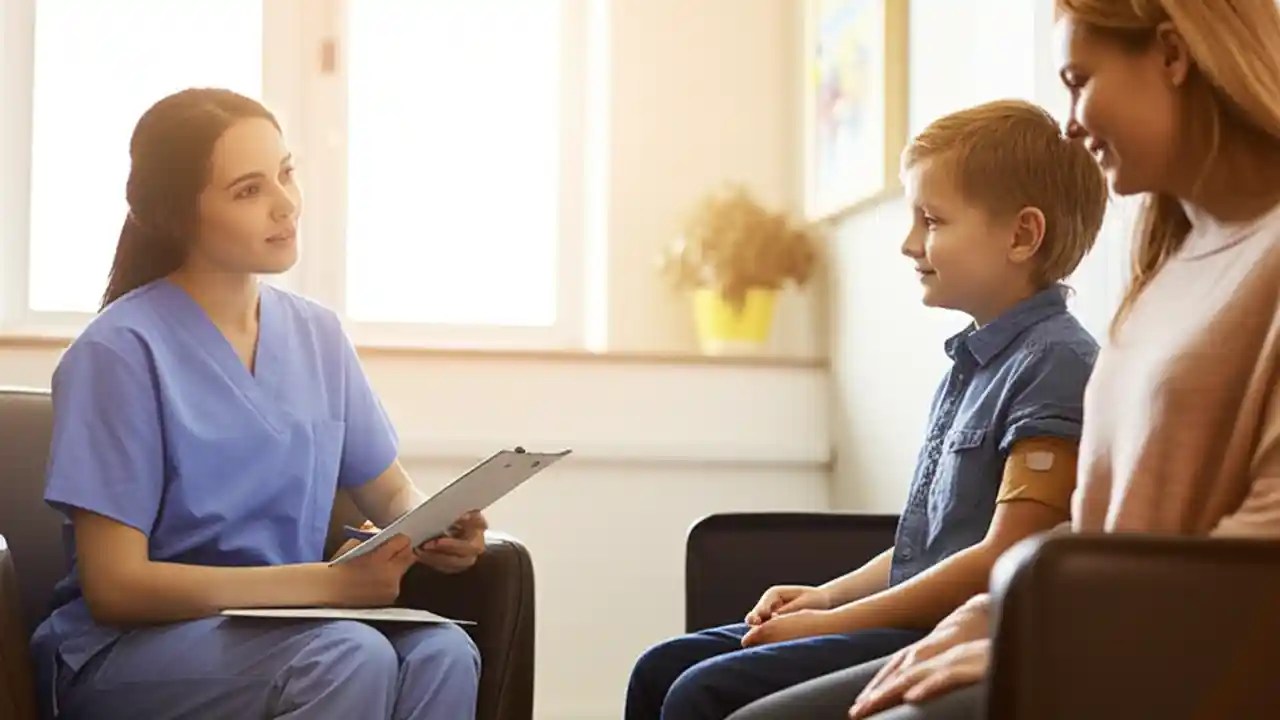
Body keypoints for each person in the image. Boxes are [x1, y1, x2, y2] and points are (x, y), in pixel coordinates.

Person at [727, 1, 1280, 718]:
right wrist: (979, 621)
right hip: (1090, 630)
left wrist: (1046, 636)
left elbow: (1260, 554)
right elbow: (1090, 531)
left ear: (1173, 55)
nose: (1073, 123)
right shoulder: (1164, 267)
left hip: (1177, 657)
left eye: (1080, 79)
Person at [624, 99, 1108, 720]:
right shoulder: (972, 367)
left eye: (931, 220)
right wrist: (824, 599)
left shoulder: (1056, 363)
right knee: (658, 668)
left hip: (942, 633)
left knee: (701, 694)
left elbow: (1001, 555)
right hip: (903, 618)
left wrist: (835, 621)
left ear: (1022, 235)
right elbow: (926, 547)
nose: (910, 244)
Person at [28, 88, 487, 720]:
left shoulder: (317, 335)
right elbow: (116, 587)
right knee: (350, 655)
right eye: (248, 190)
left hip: (294, 628)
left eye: (286, 173)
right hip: (128, 652)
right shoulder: (119, 352)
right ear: (177, 214)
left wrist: (436, 524)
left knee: (444, 652)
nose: (285, 205)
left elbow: (390, 492)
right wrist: (328, 587)